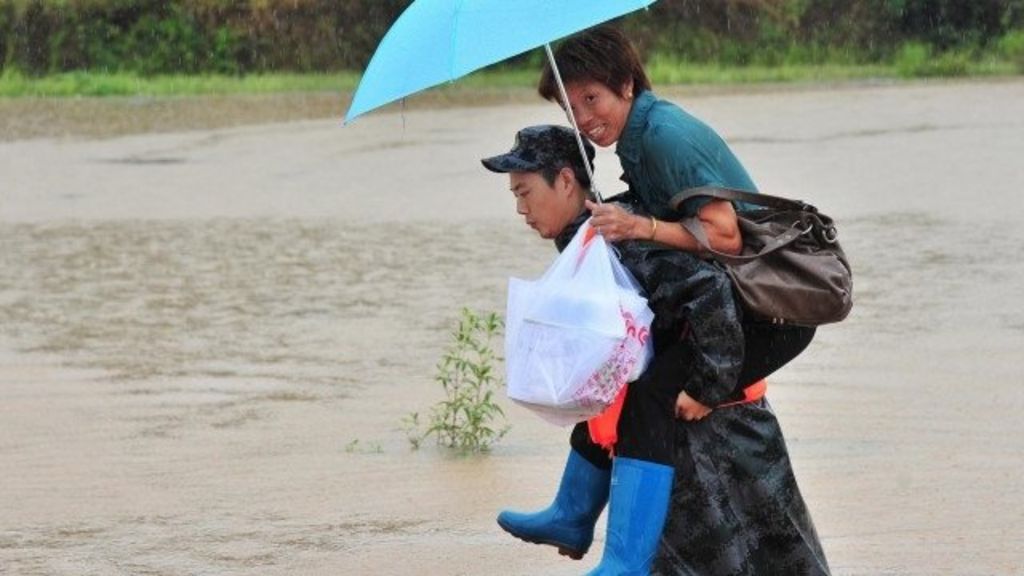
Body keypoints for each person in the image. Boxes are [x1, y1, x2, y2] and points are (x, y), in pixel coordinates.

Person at [482, 125, 830, 575]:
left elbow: (709, 291)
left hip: (736, 381)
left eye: (525, 192)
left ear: (566, 180)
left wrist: (707, 386)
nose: (520, 209)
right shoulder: (585, 238)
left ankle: (607, 546)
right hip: (682, 385)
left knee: (646, 399)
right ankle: (573, 515)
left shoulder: (617, 235)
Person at [539, 24, 816, 411]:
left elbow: (725, 236)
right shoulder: (636, 136)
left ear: (626, 84)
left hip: (773, 307)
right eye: (570, 108)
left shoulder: (663, 136)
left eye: (590, 98)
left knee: (653, 401)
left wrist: (638, 226)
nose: (582, 118)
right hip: (735, 301)